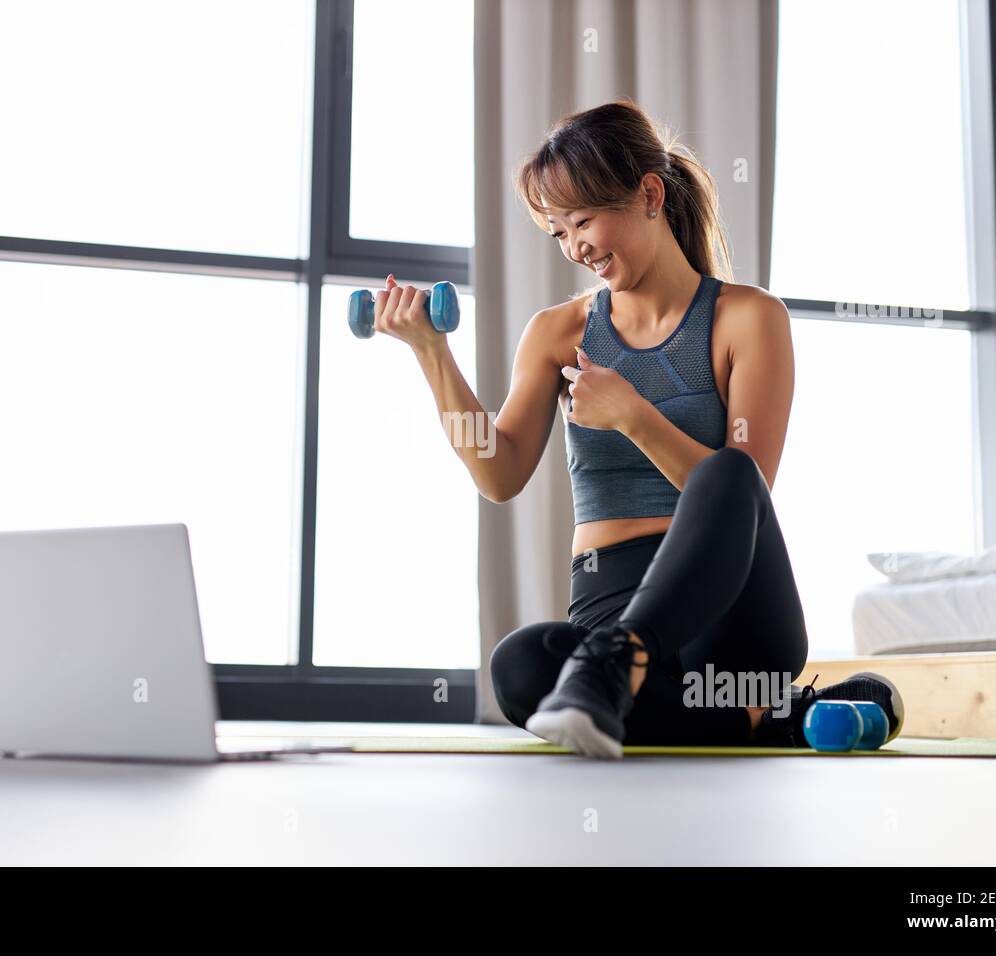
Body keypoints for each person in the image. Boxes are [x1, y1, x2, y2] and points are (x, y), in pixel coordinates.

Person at [373, 98, 903, 759]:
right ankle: (775, 715)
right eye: (558, 232)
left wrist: (632, 416)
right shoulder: (557, 332)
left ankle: (625, 671)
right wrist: (431, 352)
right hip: (608, 604)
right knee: (518, 668)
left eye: (584, 220)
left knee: (730, 472)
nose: (575, 246)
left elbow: (746, 493)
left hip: (731, 620)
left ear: (649, 194)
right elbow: (497, 472)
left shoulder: (748, 319)